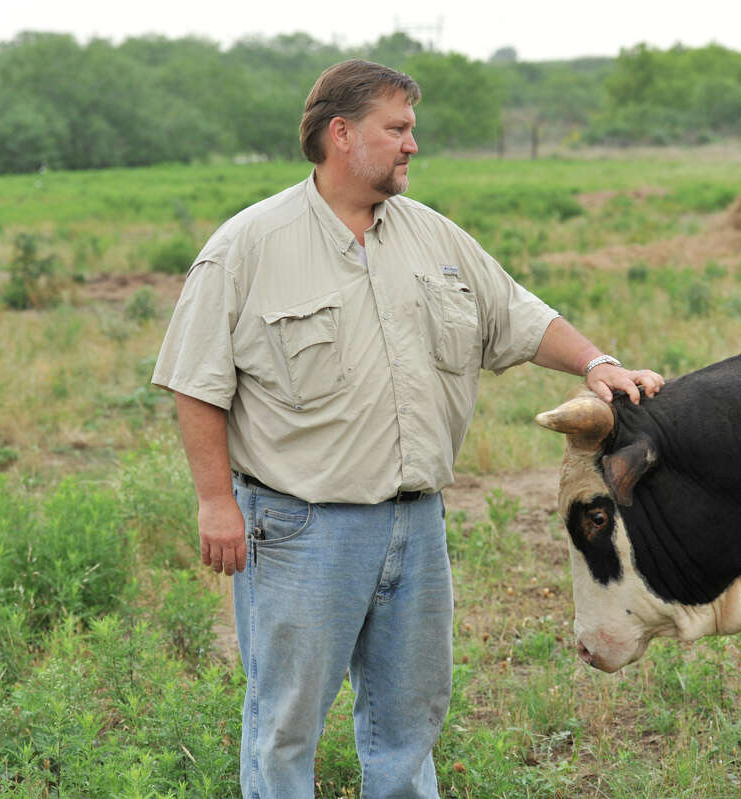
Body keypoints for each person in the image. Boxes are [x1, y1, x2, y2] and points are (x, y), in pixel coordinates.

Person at [152, 58, 664, 799]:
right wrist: (214, 501)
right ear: (341, 134)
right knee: (285, 724)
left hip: (415, 527)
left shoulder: (433, 238)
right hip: (301, 528)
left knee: (409, 724)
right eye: (396, 129)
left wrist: (595, 362)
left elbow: (518, 315)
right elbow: (197, 384)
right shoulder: (248, 246)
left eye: (412, 129)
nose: (411, 144)